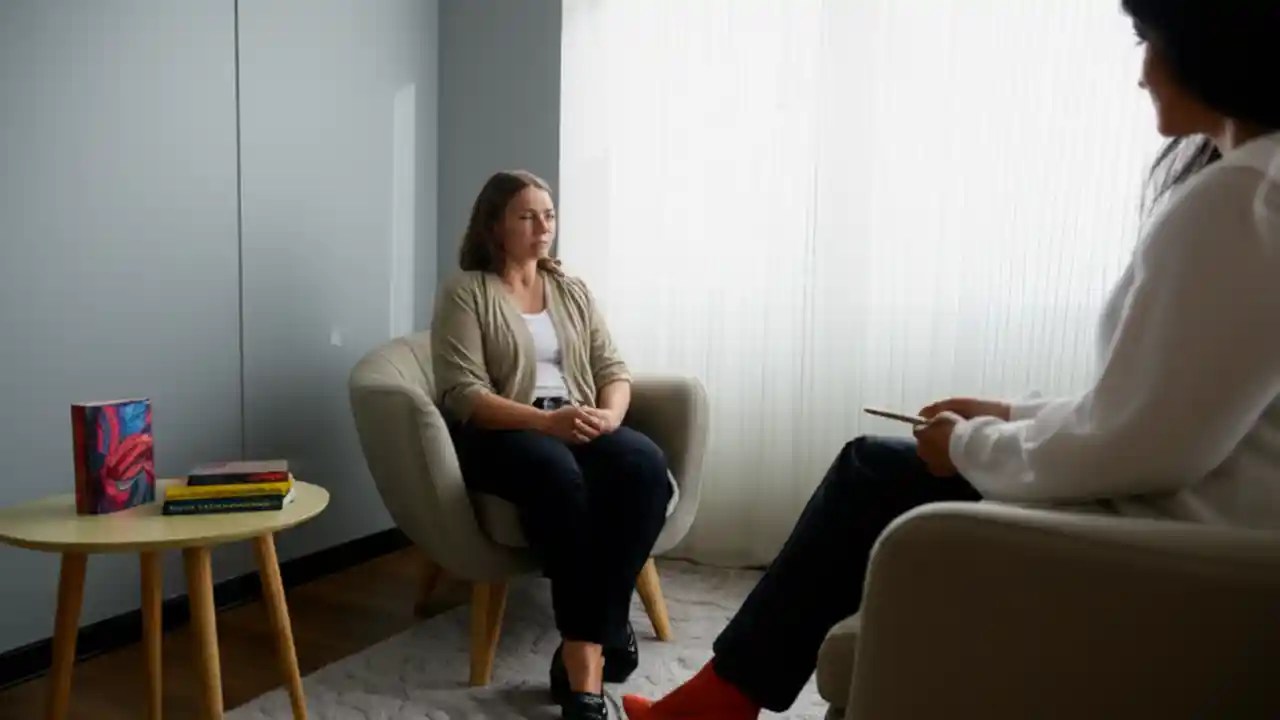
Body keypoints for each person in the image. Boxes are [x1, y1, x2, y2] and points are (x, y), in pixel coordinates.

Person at [623, 1, 1280, 718]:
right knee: (878, 469)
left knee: (873, 470)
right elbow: (1166, 405)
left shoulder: (1240, 201)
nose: (1142, 74)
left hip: (1168, 541)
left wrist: (969, 446)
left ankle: (714, 705)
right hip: (1210, 525)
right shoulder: (1255, 190)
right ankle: (719, 699)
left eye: (1147, 41)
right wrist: (1007, 413)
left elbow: (1145, 444)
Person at [431, 170, 674, 720]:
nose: (544, 227)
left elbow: (612, 368)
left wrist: (608, 418)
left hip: (579, 421)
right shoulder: (466, 292)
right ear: (494, 225)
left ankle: (590, 634)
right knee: (556, 475)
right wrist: (546, 425)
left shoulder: (570, 289)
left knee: (644, 465)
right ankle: (588, 662)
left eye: (550, 215)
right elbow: (462, 392)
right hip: (504, 431)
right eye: (527, 216)